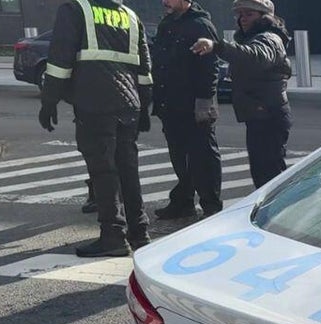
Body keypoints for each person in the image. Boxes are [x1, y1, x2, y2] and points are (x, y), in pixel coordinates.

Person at [39, 0, 152, 257]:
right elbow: (145, 68)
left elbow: (60, 59)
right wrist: (144, 107)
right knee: (128, 169)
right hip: (129, 104)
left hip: (94, 102)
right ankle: (139, 232)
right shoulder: (131, 16)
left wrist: (49, 101)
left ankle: (113, 235)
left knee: (103, 170)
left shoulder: (75, 9)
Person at [191, 0, 292, 189]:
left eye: (249, 14)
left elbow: (255, 56)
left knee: (270, 175)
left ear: (265, 17)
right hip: (259, 113)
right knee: (262, 173)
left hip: (269, 114)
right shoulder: (251, 37)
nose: (243, 19)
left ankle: (277, 215)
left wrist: (217, 46)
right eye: (241, 14)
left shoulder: (269, 38)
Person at [152, 0, 223, 221]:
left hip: (193, 104)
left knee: (203, 157)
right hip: (171, 103)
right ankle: (183, 202)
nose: (165, 2)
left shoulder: (200, 25)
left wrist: (204, 101)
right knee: (179, 156)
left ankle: (211, 207)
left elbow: (211, 66)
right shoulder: (167, 24)